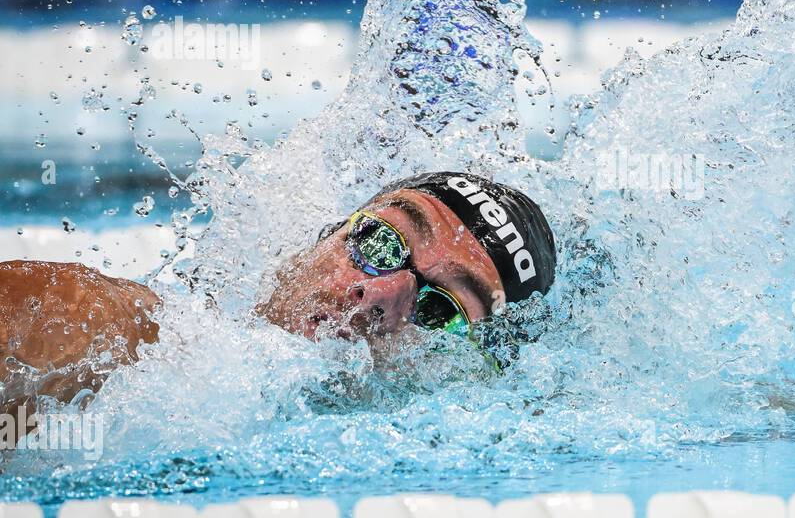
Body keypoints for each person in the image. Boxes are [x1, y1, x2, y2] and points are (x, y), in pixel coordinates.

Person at [0, 172, 556, 424]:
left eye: (440, 308)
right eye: (381, 241)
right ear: (326, 235)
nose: (380, 293)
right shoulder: (144, 345)